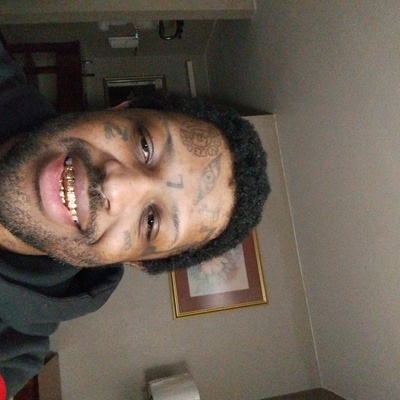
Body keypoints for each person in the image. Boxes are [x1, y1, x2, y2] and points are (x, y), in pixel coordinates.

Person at [0, 40, 270, 399]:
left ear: (136, 261)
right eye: (145, 146)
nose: (117, 186)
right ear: (122, 108)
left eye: (151, 222)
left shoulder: (12, 352)